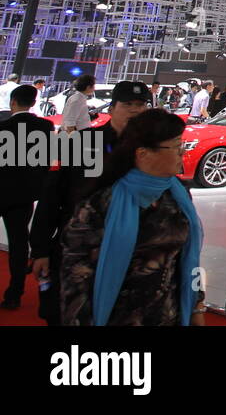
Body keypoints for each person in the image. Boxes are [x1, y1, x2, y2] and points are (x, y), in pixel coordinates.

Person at [59, 109, 205, 326]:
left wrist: (197, 307)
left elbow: (190, 260)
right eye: (175, 146)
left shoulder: (178, 196)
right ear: (143, 153)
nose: (182, 152)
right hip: (117, 318)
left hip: (168, 315)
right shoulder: (102, 203)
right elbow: (76, 274)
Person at [29, 81, 151, 324]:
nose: (135, 110)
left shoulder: (150, 149)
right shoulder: (84, 141)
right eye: (128, 104)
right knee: (66, 313)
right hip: (77, 245)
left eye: (141, 105)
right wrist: (40, 248)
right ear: (112, 108)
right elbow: (52, 195)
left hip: (129, 251)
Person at [0, 85, 53, 309]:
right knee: (19, 244)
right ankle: (15, 294)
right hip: (24, 194)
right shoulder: (46, 126)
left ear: (13, 102)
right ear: (33, 103)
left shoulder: (3, 127)